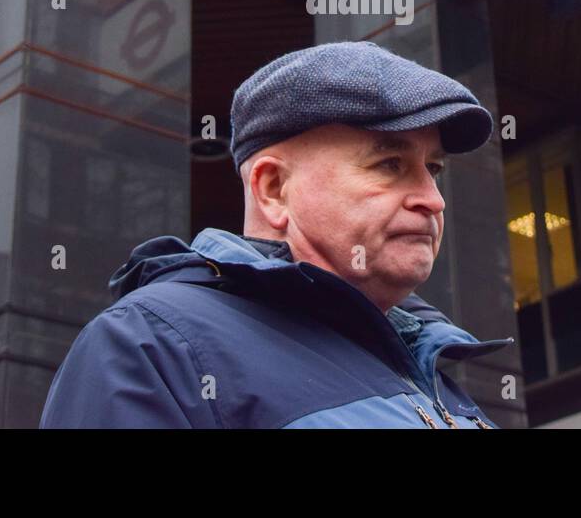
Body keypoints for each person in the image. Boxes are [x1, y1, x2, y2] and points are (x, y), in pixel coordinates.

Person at [39, 40, 513, 428]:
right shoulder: (150, 350)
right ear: (273, 189)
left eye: (433, 169)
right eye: (390, 165)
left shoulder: (433, 374)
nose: (433, 199)